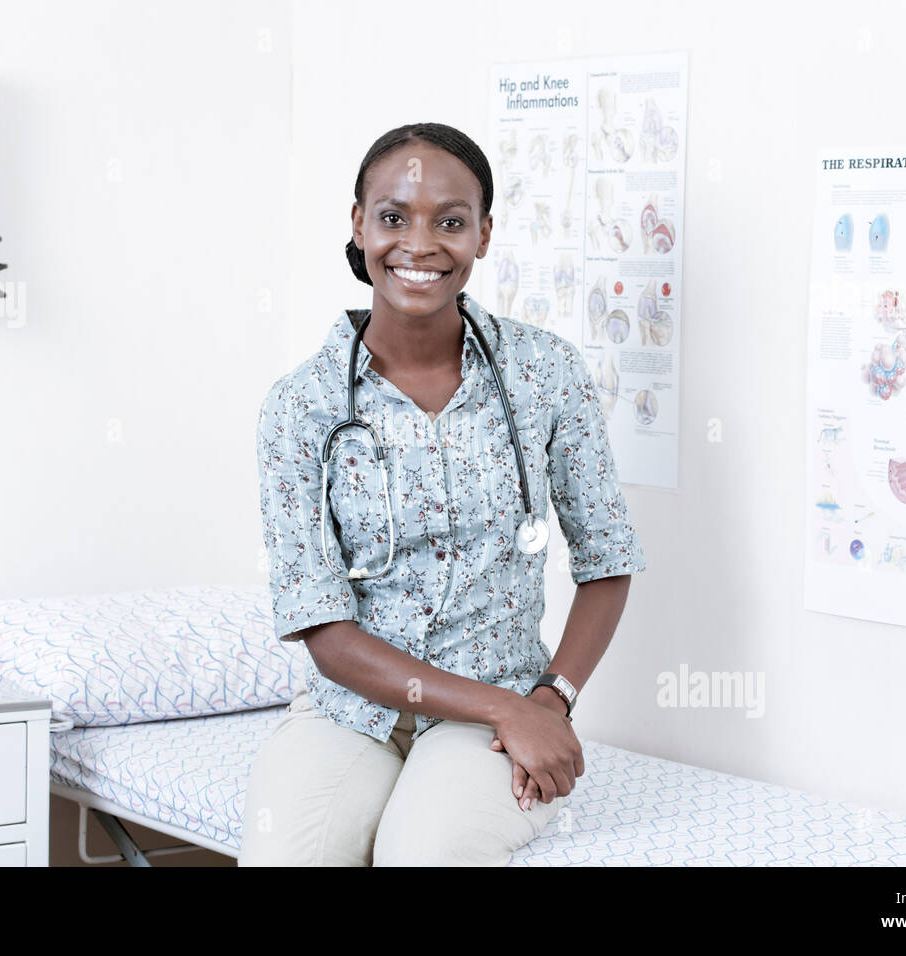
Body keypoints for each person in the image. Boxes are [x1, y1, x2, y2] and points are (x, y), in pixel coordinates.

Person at [240, 122, 646, 866]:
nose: (419, 245)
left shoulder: (546, 374)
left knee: (421, 853)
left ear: (484, 234)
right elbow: (323, 630)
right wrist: (510, 708)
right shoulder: (301, 406)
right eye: (393, 217)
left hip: (491, 710)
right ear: (359, 225)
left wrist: (549, 700)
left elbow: (608, 561)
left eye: (450, 221)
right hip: (350, 708)